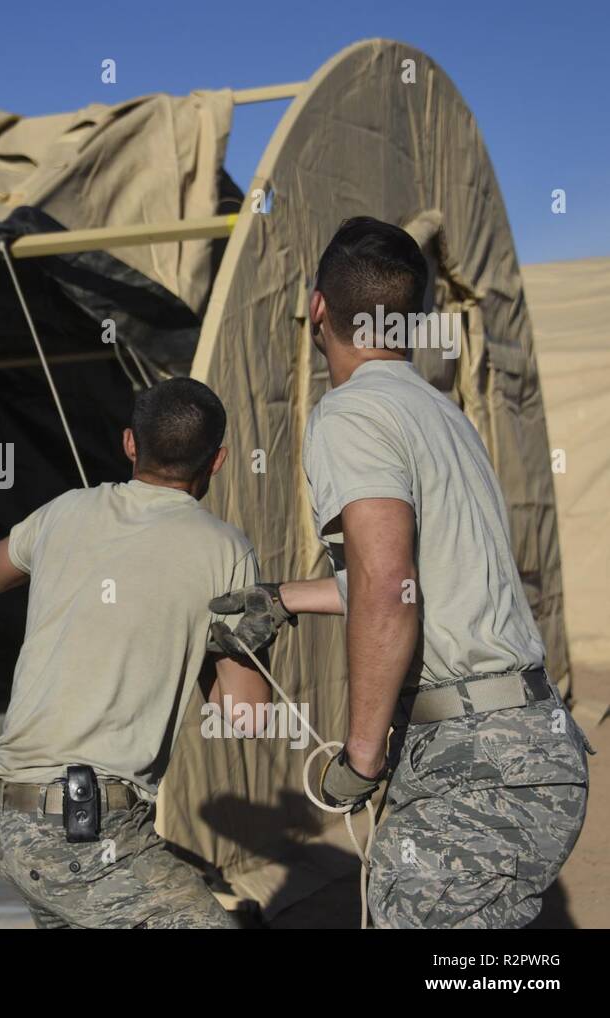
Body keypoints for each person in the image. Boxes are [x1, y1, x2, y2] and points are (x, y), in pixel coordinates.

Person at [210, 216, 591, 928]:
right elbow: (419, 579)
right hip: (526, 745)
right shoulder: (440, 413)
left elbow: (387, 585)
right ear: (411, 319)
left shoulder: (351, 414)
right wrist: (284, 597)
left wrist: (360, 754)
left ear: (318, 308)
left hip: (476, 761)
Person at [0, 377, 269, 929]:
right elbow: (244, 715)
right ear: (221, 459)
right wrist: (237, 630)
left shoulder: (64, 510)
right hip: (86, 832)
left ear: (130, 444)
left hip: (4, 819)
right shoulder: (226, 548)